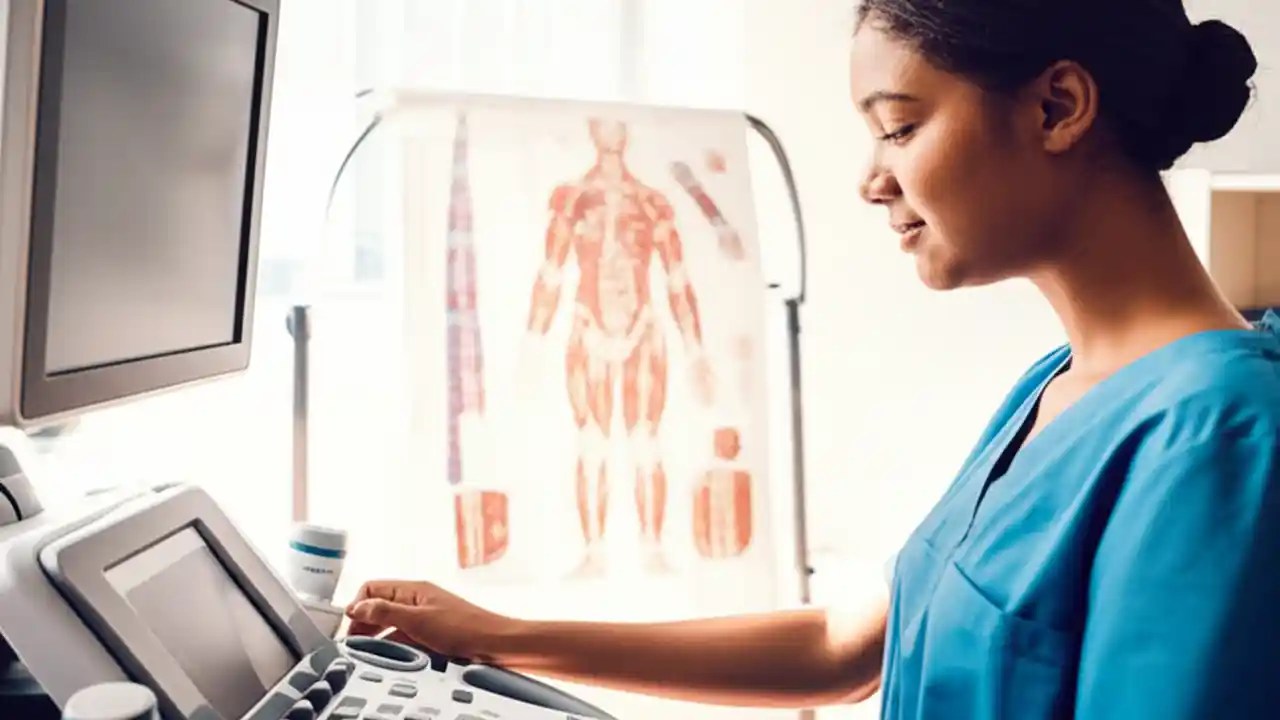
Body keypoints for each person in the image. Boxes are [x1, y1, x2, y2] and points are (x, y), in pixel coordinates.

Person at [344, 1, 1280, 717]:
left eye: (900, 127)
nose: (872, 181)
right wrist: (494, 635)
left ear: (1057, 106)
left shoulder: (1216, 436)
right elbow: (846, 647)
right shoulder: (1057, 388)